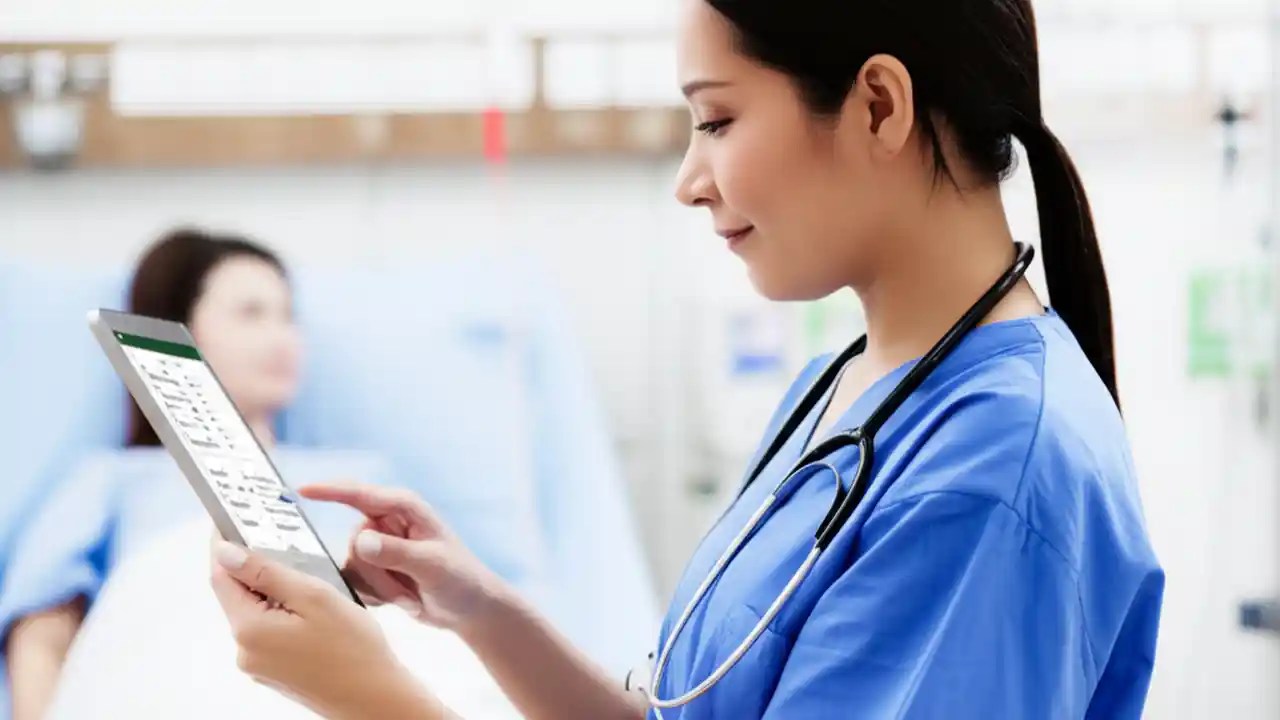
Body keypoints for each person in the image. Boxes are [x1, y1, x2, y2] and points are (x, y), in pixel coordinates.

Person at [207, 0, 1165, 718]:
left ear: (879, 105)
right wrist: (482, 608)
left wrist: (368, 694)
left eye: (716, 121)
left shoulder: (988, 478)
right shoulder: (851, 391)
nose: (689, 180)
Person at [3, 227, 302, 720]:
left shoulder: (359, 477)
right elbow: (42, 635)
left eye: (289, 316)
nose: (283, 338)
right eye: (252, 314)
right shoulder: (112, 481)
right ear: (178, 331)